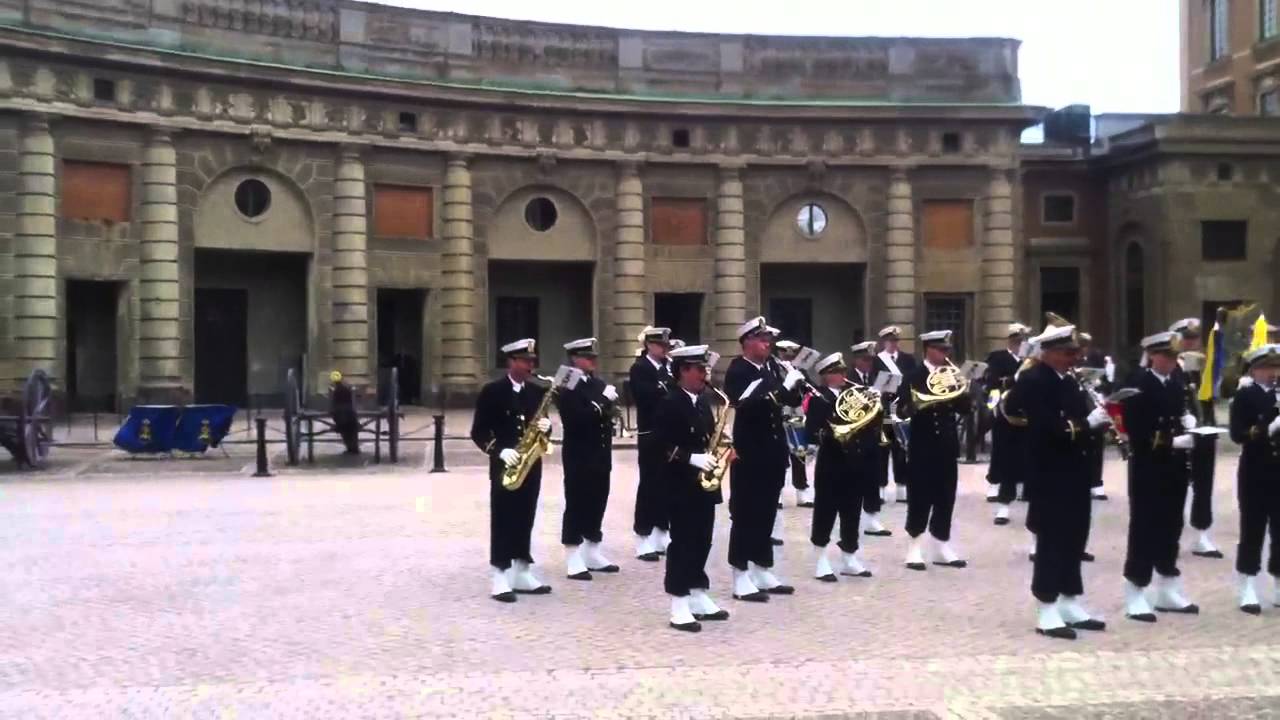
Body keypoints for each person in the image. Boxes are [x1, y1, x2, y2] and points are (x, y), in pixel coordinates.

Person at [1020, 324, 1108, 640]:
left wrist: (1099, 420)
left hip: (1075, 470)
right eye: (1068, 353)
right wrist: (1087, 424)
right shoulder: (1034, 381)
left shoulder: (1070, 381)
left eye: (1074, 353)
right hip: (1049, 472)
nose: (1073, 358)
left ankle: (1070, 600)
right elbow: (1047, 428)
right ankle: (1046, 607)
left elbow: (1079, 423)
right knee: (1052, 540)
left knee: (1075, 536)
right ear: (1050, 353)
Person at [1120, 331, 1199, 621]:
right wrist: (1171, 441)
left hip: (1174, 467)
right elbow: (1137, 432)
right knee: (1144, 526)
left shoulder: (1177, 384)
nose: (1170, 362)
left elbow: (1177, 415)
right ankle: (1135, 589)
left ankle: (1167, 585)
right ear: (1153, 355)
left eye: (1174, 357)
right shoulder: (1139, 384)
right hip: (1148, 466)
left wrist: (1188, 424)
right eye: (1165, 356)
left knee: (1171, 525)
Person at [724, 316, 804, 601]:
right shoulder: (738, 370)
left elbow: (788, 403)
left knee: (768, 512)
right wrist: (782, 391)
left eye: (768, 339)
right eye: (761, 339)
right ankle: (740, 574)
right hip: (750, 452)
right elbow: (748, 405)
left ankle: (762, 568)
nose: (767, 343)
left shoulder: (770, 367)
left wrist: (795, 386)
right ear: (746, 341)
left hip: (772, 451)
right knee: (746, 513)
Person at [469, 339, 554, 602]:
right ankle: (500, 573)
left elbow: (543, 426)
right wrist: (497, 450)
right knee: (504, 516)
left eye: (532, 361)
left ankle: (522, 569)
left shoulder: (536, 392)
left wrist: (546, 427)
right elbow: (478, 431)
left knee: (526, 514)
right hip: (505, 463)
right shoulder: (492, 391)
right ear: (511, 362)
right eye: (525, 361)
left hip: (530, 463)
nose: (530, 366)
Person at [656, 344, 730, 632]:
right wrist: (691, 457)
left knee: (703, 539)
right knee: (683, 542)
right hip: (680, 484)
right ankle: (678, 602)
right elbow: (658, 445)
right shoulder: (669, 402)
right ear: (683, 371)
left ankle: (698, 592)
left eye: (705, 369)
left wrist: (722, 441)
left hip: (703, 484)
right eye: (700, 369)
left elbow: (705, 436)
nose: (705, 374)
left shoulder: (701, 402)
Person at [898, 330, 971, 570]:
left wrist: (963, 387)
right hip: (923, 444)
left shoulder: (951, 374)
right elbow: (901, 410)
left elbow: (964, 409)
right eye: (941, 349)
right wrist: (918, 403)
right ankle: (914, 547)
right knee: (920, 495)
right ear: (928, 349)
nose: (945, 354)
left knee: (945, 495)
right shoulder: (913, 376)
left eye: (947, 350)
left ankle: (941, 544)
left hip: (947, 445)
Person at [804, 352, 875, 581]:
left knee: (852, 510)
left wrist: (875, 400)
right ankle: (820, 558)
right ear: (826, 376)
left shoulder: (854, 395)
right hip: (831, 462)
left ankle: (849, 556)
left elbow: (868, 425)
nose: (843, 376)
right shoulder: (818, 398)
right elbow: (813, 430)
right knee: (826, 510)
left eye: (844, 371)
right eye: (837, 372)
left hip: (855, 461)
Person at [556, 338, 620, 581]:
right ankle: (572, 553)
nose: (592, 361)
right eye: (587, 357)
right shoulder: (566, 382)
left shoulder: (597, 383)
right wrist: (603, 402)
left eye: (593, 357)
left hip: (600, 451)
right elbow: (576, 418)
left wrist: (605, 404)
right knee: (576, 502)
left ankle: (592, 549)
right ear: (574, 358)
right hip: (579, 453)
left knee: (598, 499)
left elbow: (605, 415)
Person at [1229, 344, 1280, 614]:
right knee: (1253, 530)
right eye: (1268, 368)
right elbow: (1237, 434)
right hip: (1255, 472)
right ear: (1255, 369)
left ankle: (1278, 581)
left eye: (1276, 368)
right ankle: (1248, 585)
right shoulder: (1245, 396)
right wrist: (1266, 429)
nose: (1273, 373)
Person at [1169, 318, 1222, 559]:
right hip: (1179, 434)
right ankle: (1170, 533)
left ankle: (1201, 532)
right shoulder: (1171, 367)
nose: (1192, 343)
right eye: (1187, 338)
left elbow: (1207, 398)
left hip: (1202, 432)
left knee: (1203, 484)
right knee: (1174, 486)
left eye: (1194, 338)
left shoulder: (1200, 366)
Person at [629, 326, 673, 561]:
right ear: (649, 345)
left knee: (666, 484)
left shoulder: (668, 368)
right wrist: (664, 387)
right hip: (650, 432)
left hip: (667, 432)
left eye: (666, 345)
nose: (664, 349)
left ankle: (661, 530)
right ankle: (643, 534)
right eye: (659, 345)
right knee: (649, 484)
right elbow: (645, 396)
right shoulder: (640, 368)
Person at [985, 323, 1030, 524]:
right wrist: (1014, 378)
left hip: (1028, 411)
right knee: (1004, 452)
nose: (1019, 343)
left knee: (1028, 453)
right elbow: (993, 382)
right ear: (1010, 340)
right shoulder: (998, 357)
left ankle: (1025, 489)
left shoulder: (1031, 359)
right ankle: (1002, 498)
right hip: (1006, 410)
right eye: (1017, 340)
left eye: (1022, 340)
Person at [849, 340, 892, 536]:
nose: (868, 364)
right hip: (854, 436)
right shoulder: (847, 379)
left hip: (873, 433)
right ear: (856, 359)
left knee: (873, 476)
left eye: (870, 360)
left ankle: (872, 518)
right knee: (853, 477)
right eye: (865, 360)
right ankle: (852, 516)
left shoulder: (877, 378)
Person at [874, 325, 918, 503]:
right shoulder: (877, 360)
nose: (893, 344)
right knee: (883, 449)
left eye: (895, 341)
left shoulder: (908, 359)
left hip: (901, 409)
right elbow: (873, 383)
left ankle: (902, 487)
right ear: (884, 342)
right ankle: (881, 487)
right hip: (885, 409)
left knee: (901, 449)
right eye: (890, 341)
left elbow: (913, 381)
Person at [776, 339, 814, 508]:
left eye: (792, 355)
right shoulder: (774, 369)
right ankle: (777, 493)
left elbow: (809, 388)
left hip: (797, 412)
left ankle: (801, 492)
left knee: (799, 453)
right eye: (786, 354)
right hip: (780, 412)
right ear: (780, 353)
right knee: (780, 456)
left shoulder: (799, 369)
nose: (789, 358)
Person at [1078, 333, 1112, 501]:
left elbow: (1105, 380)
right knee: (1080, 445)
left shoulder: (1096, 357)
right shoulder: (1073, 358)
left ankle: (1097, 483)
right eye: (1082, 344)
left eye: (1086, 345)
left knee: (1097, 444)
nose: (1084, 348)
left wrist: (1101, 383)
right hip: (1080, 404)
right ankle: (1082, 482)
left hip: (1094, 400)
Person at [328, 370, 360, 455]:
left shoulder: (333, 389)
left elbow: (333, 403)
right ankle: (354, 447)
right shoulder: (348, 387)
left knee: (344, 431)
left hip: (340, 413)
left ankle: (350, 447)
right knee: (352, 430)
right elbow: (353, 400)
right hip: (350, 412)